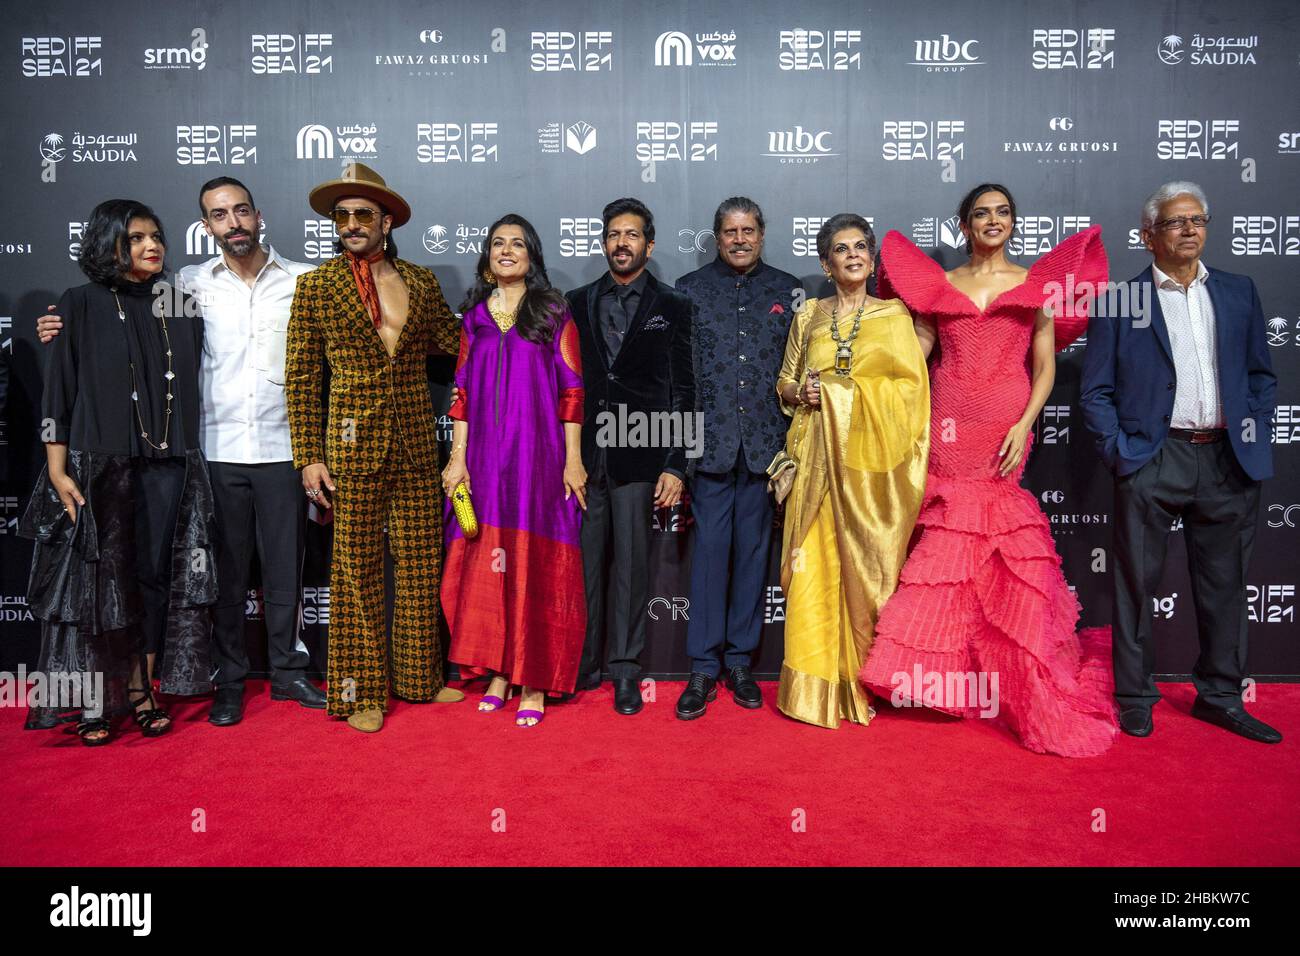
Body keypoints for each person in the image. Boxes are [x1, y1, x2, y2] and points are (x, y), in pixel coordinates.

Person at [37, 177, 326, 725]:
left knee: (287, 567)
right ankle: (230, 678)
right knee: (221, 571)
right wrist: (61, 325)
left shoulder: (305, 281)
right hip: (213, 449)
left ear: (257, 215)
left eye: (241, 211)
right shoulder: (186, 285)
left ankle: (290, 672)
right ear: (207, 225)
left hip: (286, 445)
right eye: (219, 215)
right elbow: (115, 312)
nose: (233, 223)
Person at [860, 183, 1117, 757]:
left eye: (1003, 212)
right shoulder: (942, 285)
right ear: (965, 225)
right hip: (948, 422)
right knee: (950, 548)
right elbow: (920, 350)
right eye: (982, 213)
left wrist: (1026, 423)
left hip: (1004, 426)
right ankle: (939, 680)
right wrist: (875, 381)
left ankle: (1005, 677)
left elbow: (1045, 366)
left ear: (1013, 222)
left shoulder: (1035, 285)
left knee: (997, 544)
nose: (993, 221)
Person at [1081, 181, 1280, 744]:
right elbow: (1095, 393)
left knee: (1225, 586)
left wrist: (1250, 430)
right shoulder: (1122, 301)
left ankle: (1220, 696)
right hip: (1152, 457)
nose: (1190, 229)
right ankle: (1135, 695)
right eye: (1176, 222)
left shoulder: (1240, 292)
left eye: (1198, 219)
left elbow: (1262, 376)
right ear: (1148, 236)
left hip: (1227, 459)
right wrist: (1123, 453)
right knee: (1135, 585)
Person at [19, 199, 216, 744]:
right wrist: (58, 469)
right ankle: (93, 701)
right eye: (135, 238)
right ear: (108, 243)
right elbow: (58, 392)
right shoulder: (78, 304)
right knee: (98, 586)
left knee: (151, 579)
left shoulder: (180, 303)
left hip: (167, 463)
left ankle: (140, 689)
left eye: (155, 236)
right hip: (97, 465)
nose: (151, 246)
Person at [286, 163, 464, 733]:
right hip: (351, 447)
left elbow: (460, 347)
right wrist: (309, 454)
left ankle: (418, 679)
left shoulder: (420, 280)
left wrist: (516, 327)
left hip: (415, 442)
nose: (351, 224)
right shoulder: (317, 286)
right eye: (342, 215)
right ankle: (359, 693)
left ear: (387, 221)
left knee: (418, 568)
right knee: (355, 574)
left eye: (364, 214)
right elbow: (300, 376)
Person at [774, 214, 930, 729]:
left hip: (870, 470)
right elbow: (784, 385)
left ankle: (865, 679)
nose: (854, 254)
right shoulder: (809, 317)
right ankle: (811, 689)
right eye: (841, 249)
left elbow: (911, 392)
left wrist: (842, 394)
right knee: (813, 570)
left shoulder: (894, 316)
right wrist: (804, 392)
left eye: (861, 246)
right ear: (826, 262)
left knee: (866, 570)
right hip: (816, 463)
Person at [439, 214, 587, 727]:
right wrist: (457, 460)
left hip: (538, 457)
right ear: (486, 257)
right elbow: (460, 394)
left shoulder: (552, 312)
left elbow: (571, 392)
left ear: (532, 256)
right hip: (483, 459)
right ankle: (500, 671)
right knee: (487, 559)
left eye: (517, 244)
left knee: (532, 562)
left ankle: (533, 680)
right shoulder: (474, 318)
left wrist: (573, 460)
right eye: (497, 243)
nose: (506, 251)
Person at [566, 198, 695, 715]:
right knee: (584, 564)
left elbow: (685, 388)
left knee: (632, 569)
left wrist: (676, 463)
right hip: (582, 454)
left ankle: (624, 669)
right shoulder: (574, 301)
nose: (623, 243)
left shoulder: (674, 304)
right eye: (614, 235)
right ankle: (582, 663)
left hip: (642, 452)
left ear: (650, 244)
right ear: (603, 242)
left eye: (633, 235)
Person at [673, 197, 800, 719]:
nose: (740, 239)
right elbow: (680, 380)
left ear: (762, 234)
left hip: (767, 450)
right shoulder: (689, 291)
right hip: (710, 449)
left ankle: (741, 662)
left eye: (748, 230)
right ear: (717, 236)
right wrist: (678, 459)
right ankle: (703, 668)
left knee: (752, 558)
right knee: (709, 558)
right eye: (730, 232)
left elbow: (800, 369)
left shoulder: (789, 291)